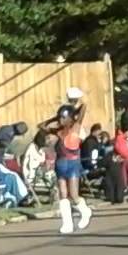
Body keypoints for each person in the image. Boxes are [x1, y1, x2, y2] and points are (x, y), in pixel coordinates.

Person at [41, 97, 93, 234]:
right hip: (60, 164)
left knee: (74, 195)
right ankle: (67, 223)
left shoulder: (76, 126)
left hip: (73, 164)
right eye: (60, 118)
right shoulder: (58, 131)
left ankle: (85, 211)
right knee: (63, 195)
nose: (61, 120)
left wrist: (74, 110)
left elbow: (84, 107)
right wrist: (54, 118)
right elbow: (41, 126)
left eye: (63, 118)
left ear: (70, 118)